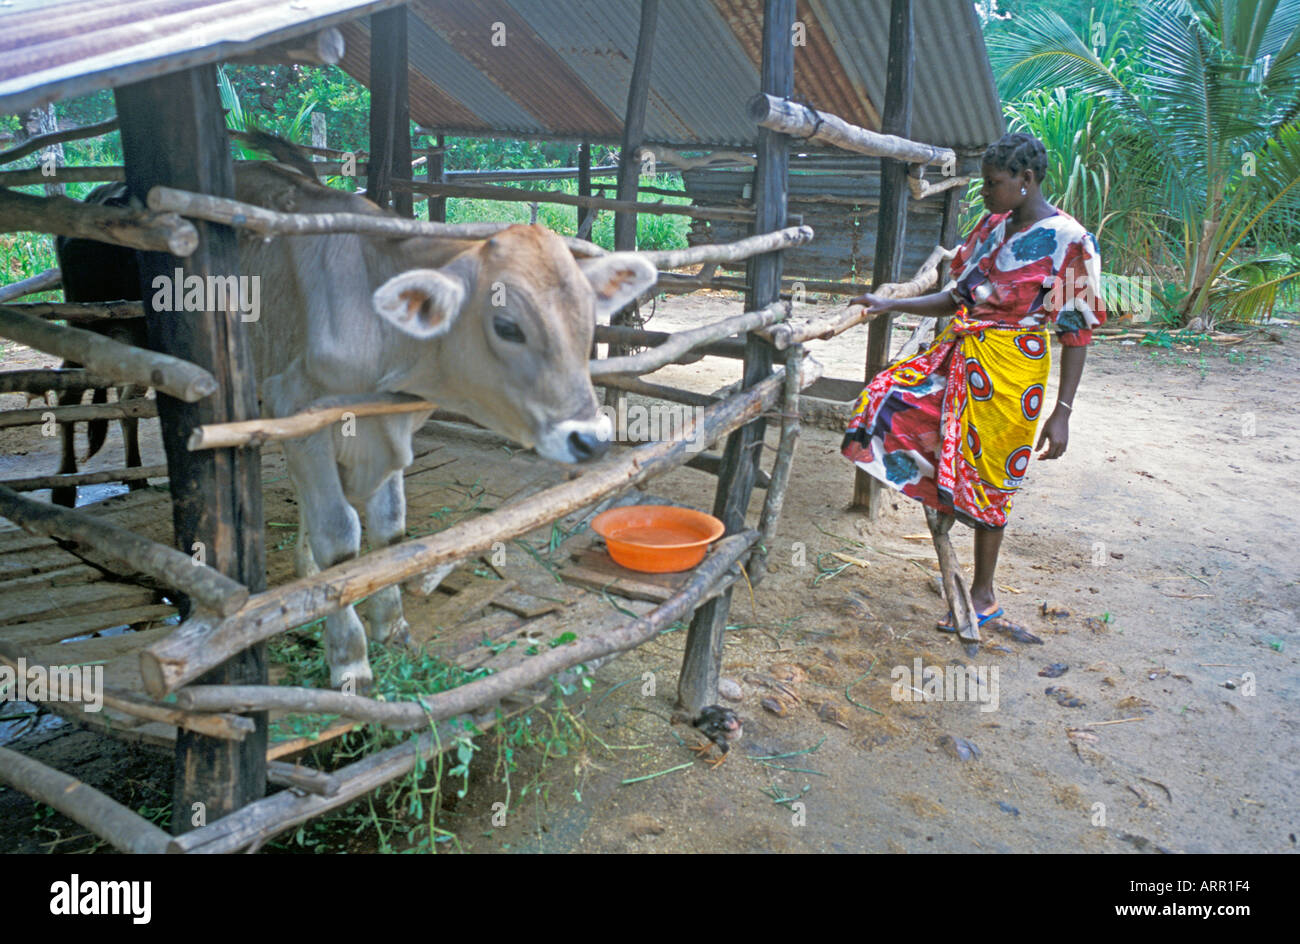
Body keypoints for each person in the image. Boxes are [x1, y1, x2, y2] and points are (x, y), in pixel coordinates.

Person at [842, 131, 1106, 633]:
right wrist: (890, 303)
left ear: (1026, 180)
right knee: (883, 400)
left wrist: (1062, 413)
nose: (983, 193)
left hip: (1014, 374)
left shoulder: (1071, 241)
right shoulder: (991, 226)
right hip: (964, 355)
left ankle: (983, 594)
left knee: (994, 476)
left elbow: (1076, 331)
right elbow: (956, 297)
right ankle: (942, 498)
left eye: (992, 183)